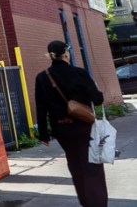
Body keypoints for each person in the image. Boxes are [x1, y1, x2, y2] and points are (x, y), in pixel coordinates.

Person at [34, 40, 107, 206]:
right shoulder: (79, 73)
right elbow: (97, 99)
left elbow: (41, 107)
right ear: (66, 53)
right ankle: (97, 203)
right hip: (84, 126)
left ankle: (85, 201)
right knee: (92, 166)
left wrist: (43, 134)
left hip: (62, 129)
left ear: (50, 55)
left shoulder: (42, 77)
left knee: (75, 164)